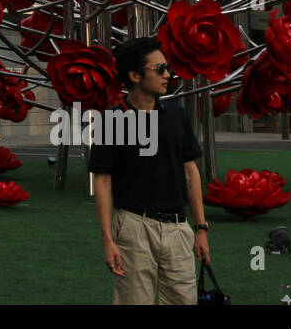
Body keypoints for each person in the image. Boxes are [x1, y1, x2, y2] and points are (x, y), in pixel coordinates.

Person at [90, 36, 210, 305]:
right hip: (134, 227)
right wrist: (107, 239)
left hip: (178, 229)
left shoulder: (176, 115)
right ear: (134, 75)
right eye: (159, 69)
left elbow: (191, 171)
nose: (167, 75)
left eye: (167, 67)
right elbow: (103, 182)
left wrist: (201, 228)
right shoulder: (112, 121)